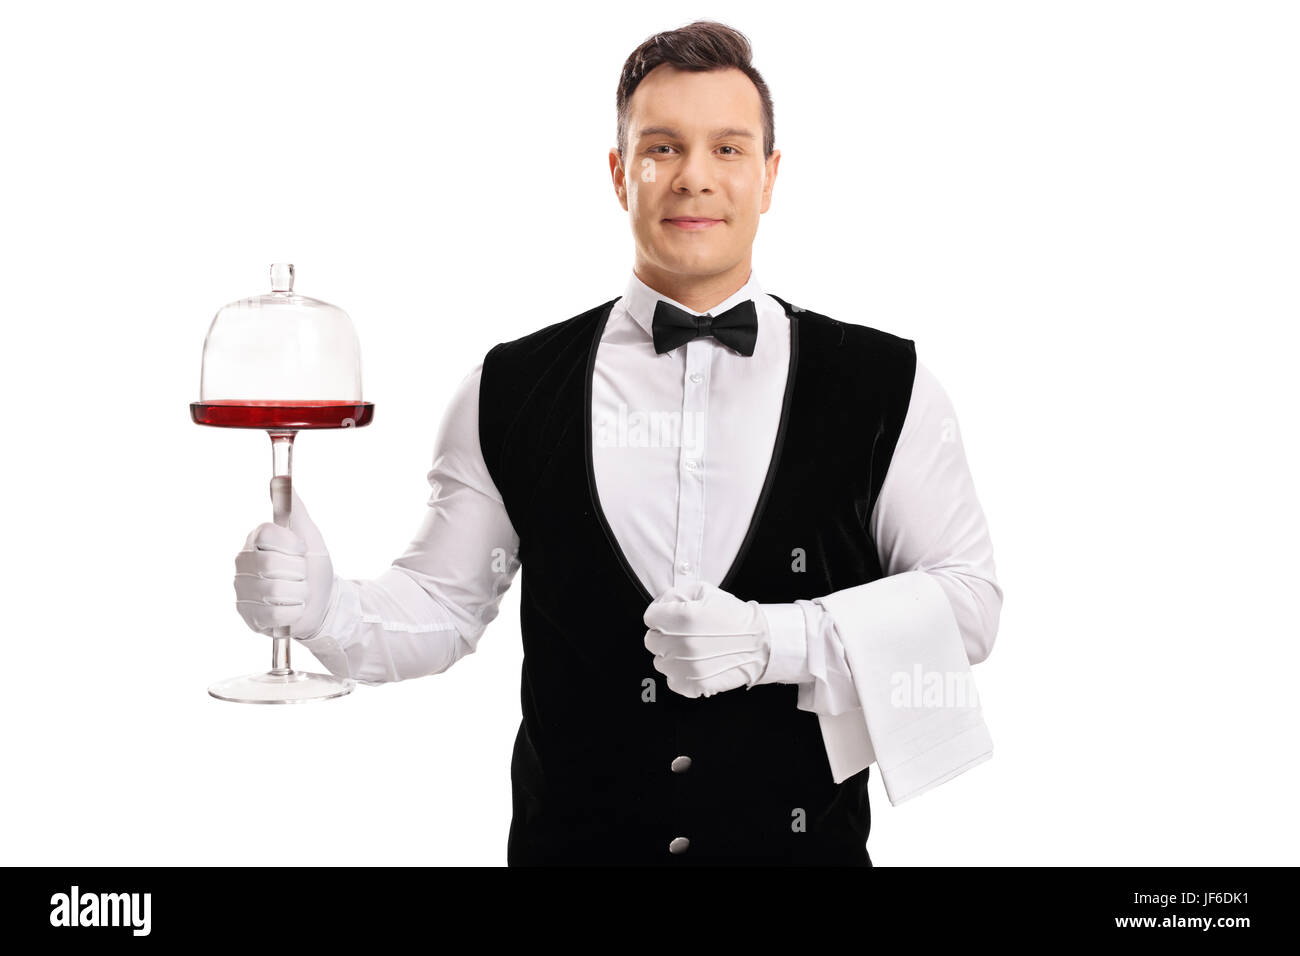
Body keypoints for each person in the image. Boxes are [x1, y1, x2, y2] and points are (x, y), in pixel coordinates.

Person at [233, 19, 1002, 866]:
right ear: (618, 173)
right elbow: (443, 610)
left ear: (771, 177)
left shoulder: (887, 381)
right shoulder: (509, 387)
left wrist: (774, 640)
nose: (695, 178)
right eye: (662, 147)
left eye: (729, 149)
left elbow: (969, 605)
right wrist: (321, 609)